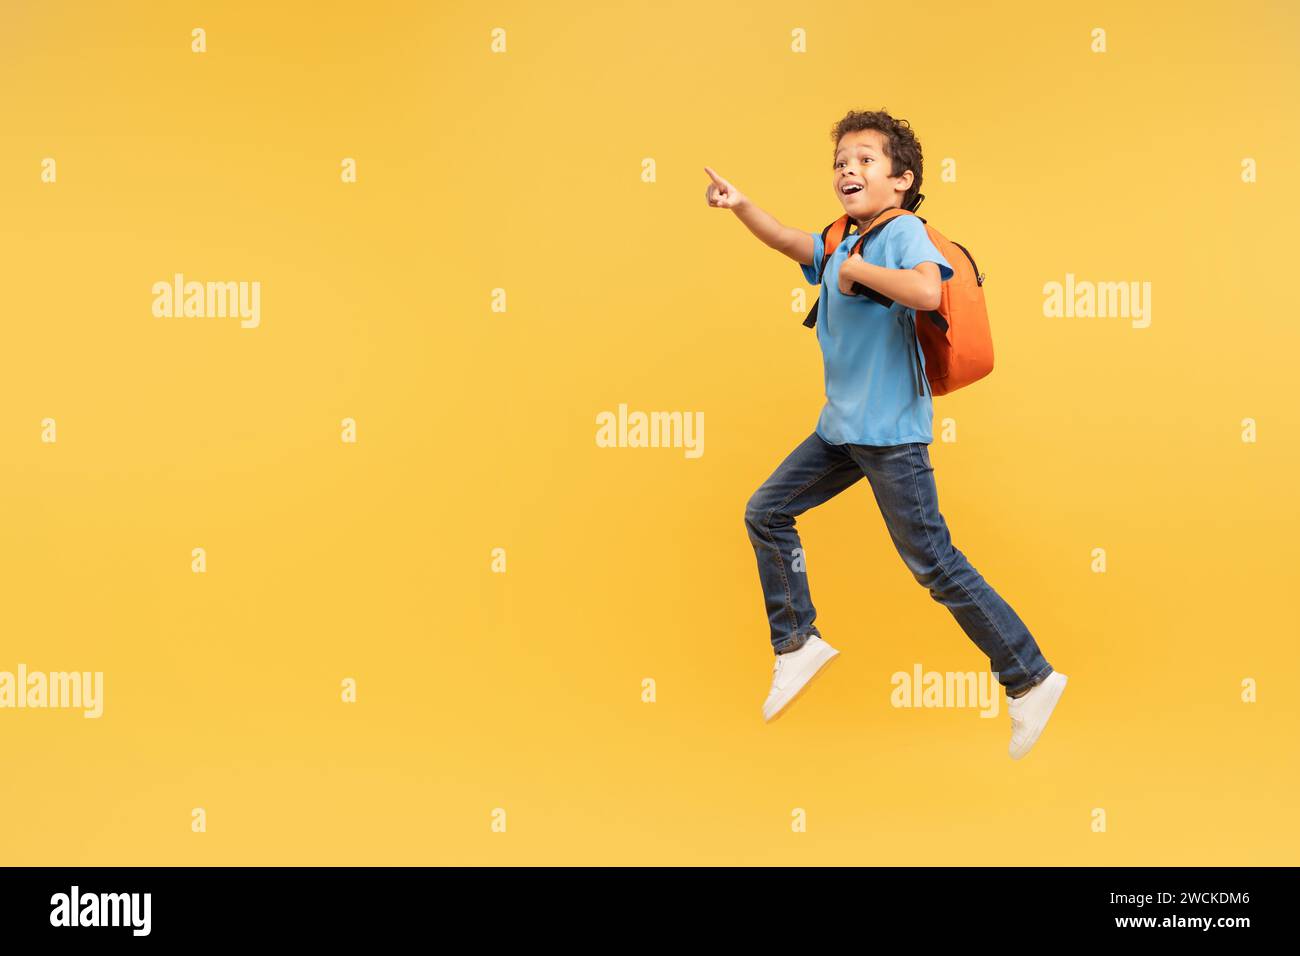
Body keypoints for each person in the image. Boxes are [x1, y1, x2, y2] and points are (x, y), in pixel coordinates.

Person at [704, 109, 1067, 759]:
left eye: (866, 159)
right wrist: (740, 206)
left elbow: (927, 292)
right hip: (842, 432)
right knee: (767, 511)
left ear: (900, 181)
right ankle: (797, 643)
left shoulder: (899, 234)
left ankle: (1031, 677)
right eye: (841, 160)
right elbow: (791, 240)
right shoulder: (843, 235)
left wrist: (861, 273)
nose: (848, 167)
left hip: (891, 436)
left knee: (935, 565)